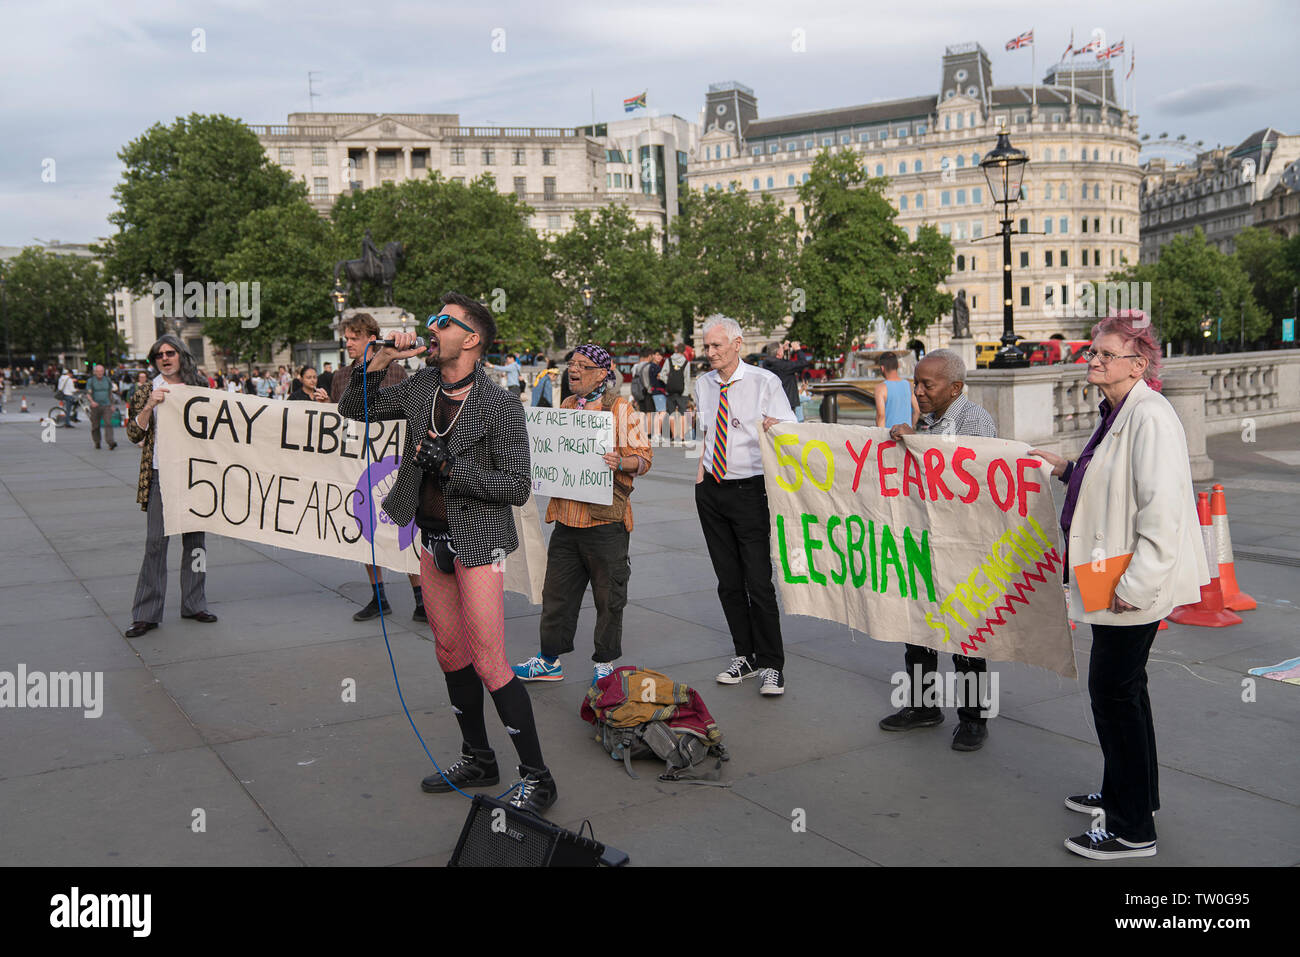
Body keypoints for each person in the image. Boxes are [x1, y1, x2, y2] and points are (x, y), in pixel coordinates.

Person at [338, 291, 558, 816]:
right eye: (433, 321)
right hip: (431, 537)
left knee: (488, 659)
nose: (431, 329)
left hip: (478, 540)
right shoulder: (420, 387)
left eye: (443, 322)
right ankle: (479, 757)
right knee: (449, 653)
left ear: (472, 338)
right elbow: (353, 409)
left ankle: (538, 777)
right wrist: (377, 362)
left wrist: (451, 468)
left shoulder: (499, 404)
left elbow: (516, 487)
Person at [1030, 314, 1208, 861]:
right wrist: (1065, 469)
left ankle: (1132, 829)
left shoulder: (1150, 418)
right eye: (1093, 353)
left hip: (1130, 579)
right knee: (1128, 692)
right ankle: (1129, 796)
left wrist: (1136, 584)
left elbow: (1164, 508)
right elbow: (1109, 482)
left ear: (1138, 364)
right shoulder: (1116, 412)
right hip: (1111, 572)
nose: (1094, 361)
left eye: (1105, 355)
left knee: (1113, 696)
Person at [513, 344, 652, 684]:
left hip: (606, 523)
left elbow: (644, 459)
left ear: (602, 374)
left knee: (609, 597)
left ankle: (604, 664)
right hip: (566, 519)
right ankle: (549, 660)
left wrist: (622, 462)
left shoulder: (622, 410)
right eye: (571, 364)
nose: (572, 370)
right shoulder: (565, 407)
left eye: (582, 365)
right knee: (557, 593)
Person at [882, 349, 997, 751]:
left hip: (963, 548)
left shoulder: (975, 420)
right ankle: (923, 706)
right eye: (916, 383)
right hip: (924, 542)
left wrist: (920, 442)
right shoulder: (928, 420)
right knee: (919, 629)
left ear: (955, 388)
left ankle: (973, 719)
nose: (919, 391)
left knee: (965, 636)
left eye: (926, 385)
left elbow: (971, 472)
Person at [694, 315, 797, 696]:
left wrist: (776, 426)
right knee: (728, 581)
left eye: (717, 345)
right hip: (712, 489)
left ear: (737, 344)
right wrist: (700, 478)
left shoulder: (764, 383)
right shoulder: (703, 384)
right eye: (707, 346)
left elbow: (788, 431)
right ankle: (745, 655)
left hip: (750, 491)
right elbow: (708, 431)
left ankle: (772, 663)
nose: (710, 353)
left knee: (758, 581)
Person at [330, 313, 426, 622]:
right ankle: (379, 596)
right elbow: (337, 418)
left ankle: (420, 598)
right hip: (357, 466)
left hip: (391, 464)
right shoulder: (341, 377)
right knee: (365, 528)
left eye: (353, 338)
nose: (348, 343)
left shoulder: (396, 372)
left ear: (371, 339)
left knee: (403, 532)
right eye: (346, 338)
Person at [123, 335, 218, 638]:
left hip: (193, 476)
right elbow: (133, 435)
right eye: (158, 355)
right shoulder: (144, 390)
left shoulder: (199, 387)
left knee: (195, 544)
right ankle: (146, 614)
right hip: (159, 476)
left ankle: (195, 603)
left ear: (181, 356)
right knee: (155, 544)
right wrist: (149, 405)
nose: (164, 358)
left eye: (170, 353)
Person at [762, 343, 814, 423]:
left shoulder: (766, 363)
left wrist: (785, 351)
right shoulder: (782, 365)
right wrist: (798, 350)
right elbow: (803, 363)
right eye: (782, 348)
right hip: (787, 401)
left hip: (774, 401)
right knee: (788, 427)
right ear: (778, 352)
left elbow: (784, 363)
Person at [658, 343, 692, 446]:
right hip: (683, 392)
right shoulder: (686, 362)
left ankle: (674, 436)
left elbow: (662, 374)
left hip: (670, 390)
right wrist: (686, 391)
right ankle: (682, 436)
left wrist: (667, 382)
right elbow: (687, 378)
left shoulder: (668, 360)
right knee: (682, 413)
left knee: (671, 413)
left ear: (676, 349)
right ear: (684, 351)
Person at [873, 351, 918, 428]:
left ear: (882, 368)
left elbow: (881, 416)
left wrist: (880, 436)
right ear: (898, 365)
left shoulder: (880, 388)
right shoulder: (909, 385)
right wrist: (910, 427)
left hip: (889, 436)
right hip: (906, 434)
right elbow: (917, 411)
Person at [85, 363, 118, 449]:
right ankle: (97, 441)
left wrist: (112, 404)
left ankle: (110, 442)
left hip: (106, 405)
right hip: (95, 406)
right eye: (98, 371)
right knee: (95, 426)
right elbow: (88, 394)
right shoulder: (91, 381)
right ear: (95, 372)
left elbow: (110, 393)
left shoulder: (107, 380)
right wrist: (92, 401)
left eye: (101, 371)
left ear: (104, 372)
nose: (100, 373)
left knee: (108, 423)